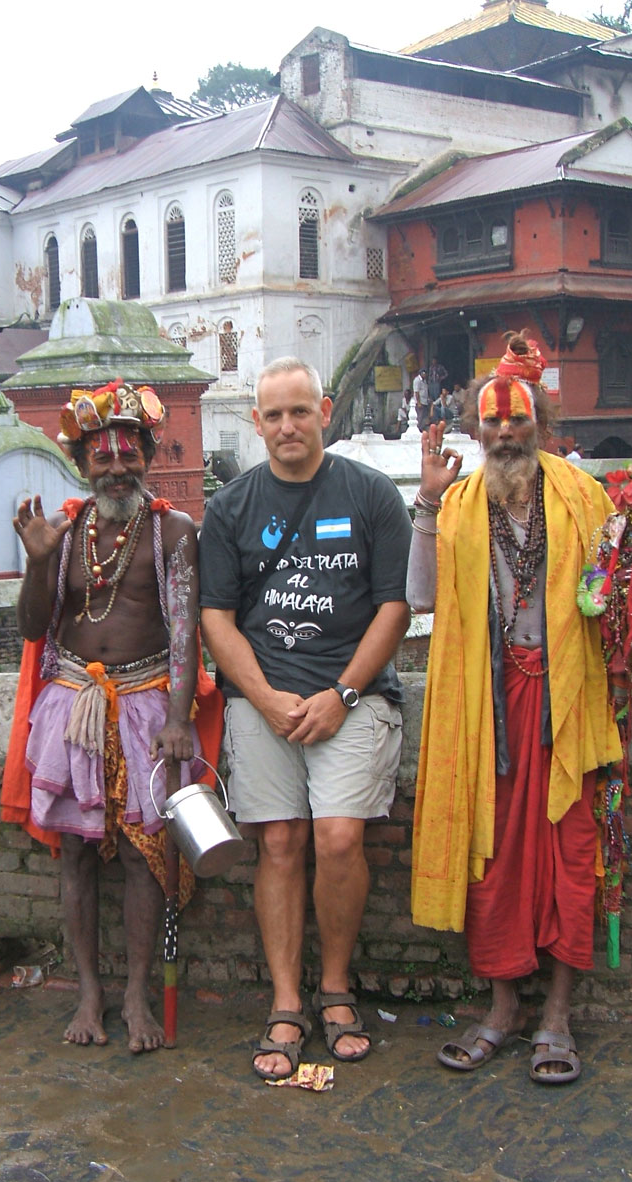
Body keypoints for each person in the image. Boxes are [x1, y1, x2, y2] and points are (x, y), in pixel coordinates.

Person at [407, 333, 622, 1085]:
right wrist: (426, 506)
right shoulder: (459, 503)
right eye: (491, 424)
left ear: (540, 427)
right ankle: (501, 1009)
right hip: (485, 712)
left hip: (566, 706)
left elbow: (612, 601)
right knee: (492, 861)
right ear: (474, 429)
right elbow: (424, 600)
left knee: (569, 858)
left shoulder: (582, 495)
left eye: (517, 423)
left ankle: (556, 1017)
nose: (503, 434)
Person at [198, 356, 412, 1081]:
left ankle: (336, 987)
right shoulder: (230, 508)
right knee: (280, 843)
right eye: (273, 415)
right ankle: (286, 997)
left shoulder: (371, 494)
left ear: (324, 412)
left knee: (339, 836)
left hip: (350, 696)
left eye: (299, 411)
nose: (287, 426)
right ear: (256, 423)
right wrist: (261, 697)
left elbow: (394, 607)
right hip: (264, 697)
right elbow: (216, 620)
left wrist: (343, 695)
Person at [1, 379, 222, 1053]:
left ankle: (135, 997)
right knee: (73, 856)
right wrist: (37, 565)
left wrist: (179, 717)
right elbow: (34, 626)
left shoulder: (174, 532)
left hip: (148, 706)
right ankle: (90, 995)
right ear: (83, 464)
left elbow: (185, 630)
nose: (117, 468)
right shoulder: (63, 535)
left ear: (149, 457)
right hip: (71, 708)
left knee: (140, 857)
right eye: (103, 458)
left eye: (129, 456)